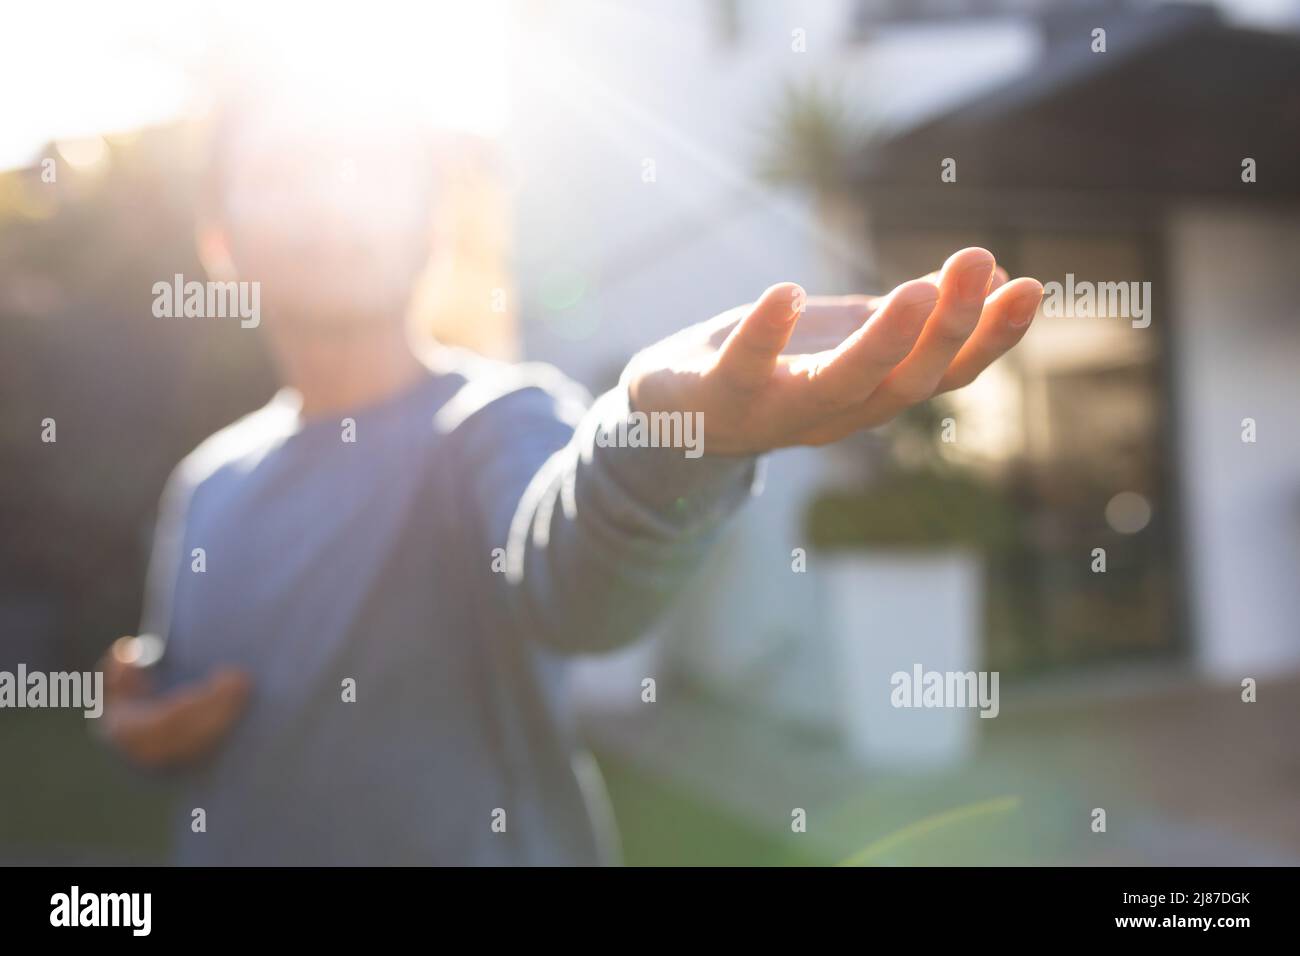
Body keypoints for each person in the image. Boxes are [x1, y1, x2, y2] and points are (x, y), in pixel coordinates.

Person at [99, 93, 1044, 864]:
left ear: (432, 220)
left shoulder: (494, 424)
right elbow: (182, 704)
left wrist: (666, 435)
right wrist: (146, 725)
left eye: (368, 169)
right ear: (217, 240)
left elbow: (576, 592)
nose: (332, 201)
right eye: (281, 173)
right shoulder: (207, 486)